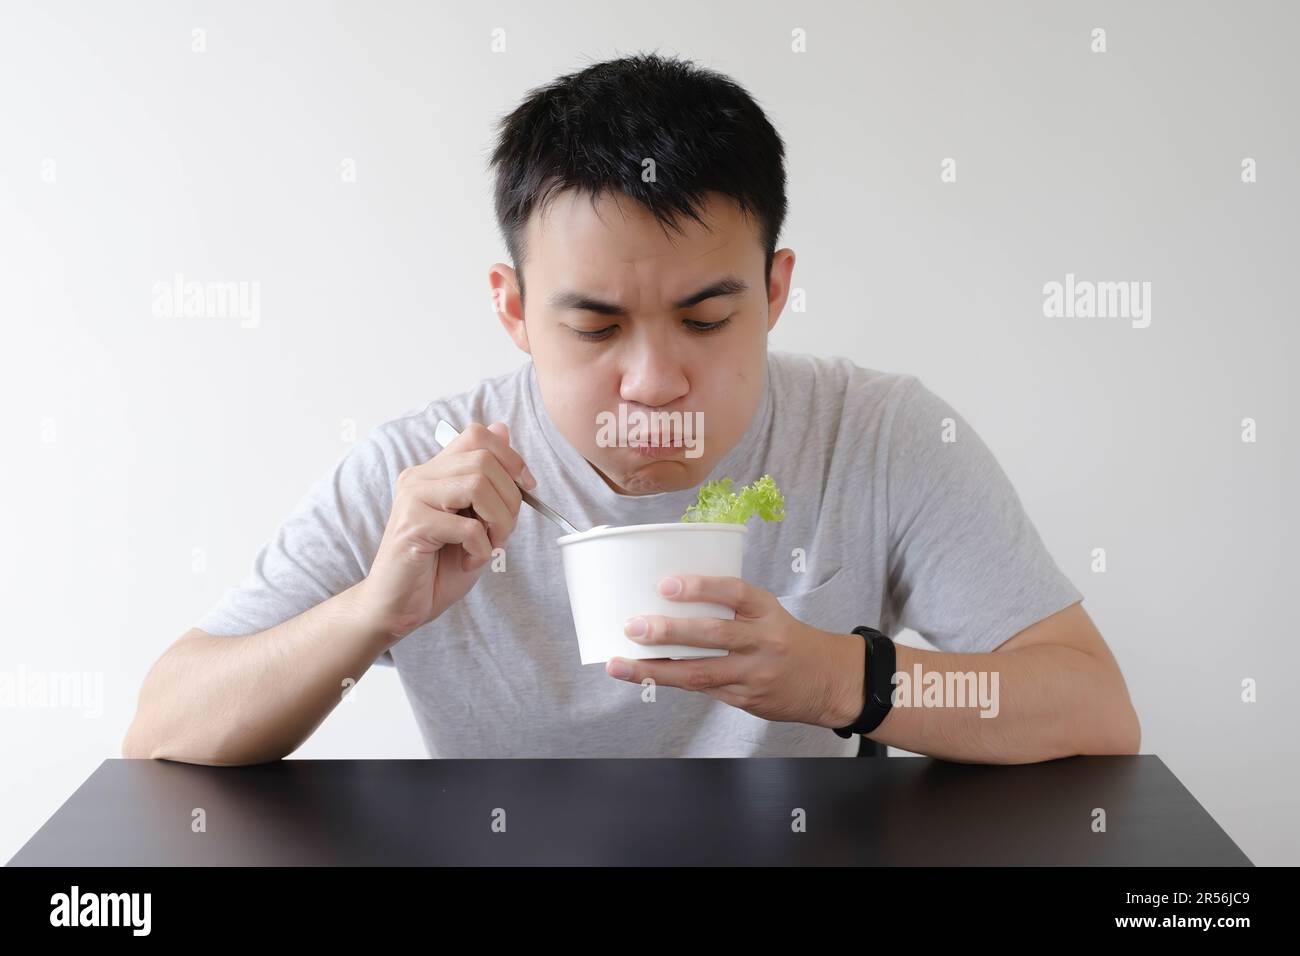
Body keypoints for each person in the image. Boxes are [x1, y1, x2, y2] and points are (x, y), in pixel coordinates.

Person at [124, 53, 1139, 765]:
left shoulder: (877, 434)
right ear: (513, 310)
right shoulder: (426, 472)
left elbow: (1092, 709)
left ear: (775, 290)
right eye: (597, 327)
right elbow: (163, 726)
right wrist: (369, 611)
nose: (653, 381)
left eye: (706, 319)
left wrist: (843, 679)